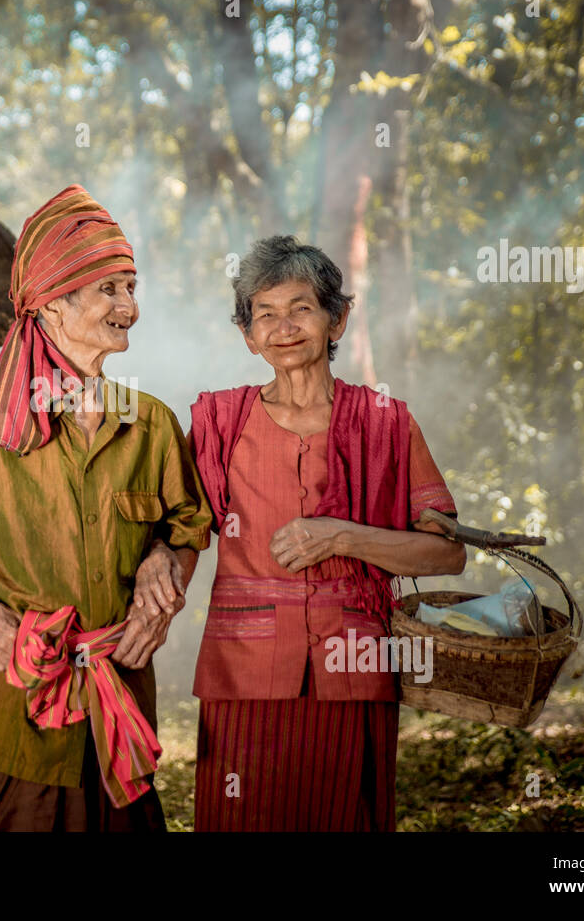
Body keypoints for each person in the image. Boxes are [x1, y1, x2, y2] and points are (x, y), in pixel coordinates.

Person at [0, 185, 211, 831]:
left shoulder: (150, 422)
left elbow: (186, 530)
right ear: (53, 303)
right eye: (110, 289)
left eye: (132, 287)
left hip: (123, 699)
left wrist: (163, 567)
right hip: (19, 711)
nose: (130, 307)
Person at [187, 236, 466, 831]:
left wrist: (344, 536)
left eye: (301, 308)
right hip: (242, 670)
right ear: (247, 334)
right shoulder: (218, 421)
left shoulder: (387, 422)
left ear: (337, 318)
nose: (283, 326)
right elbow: (182, 535)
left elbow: (447, 553)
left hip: (354, 663)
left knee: (344, 817)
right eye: (265, 313)